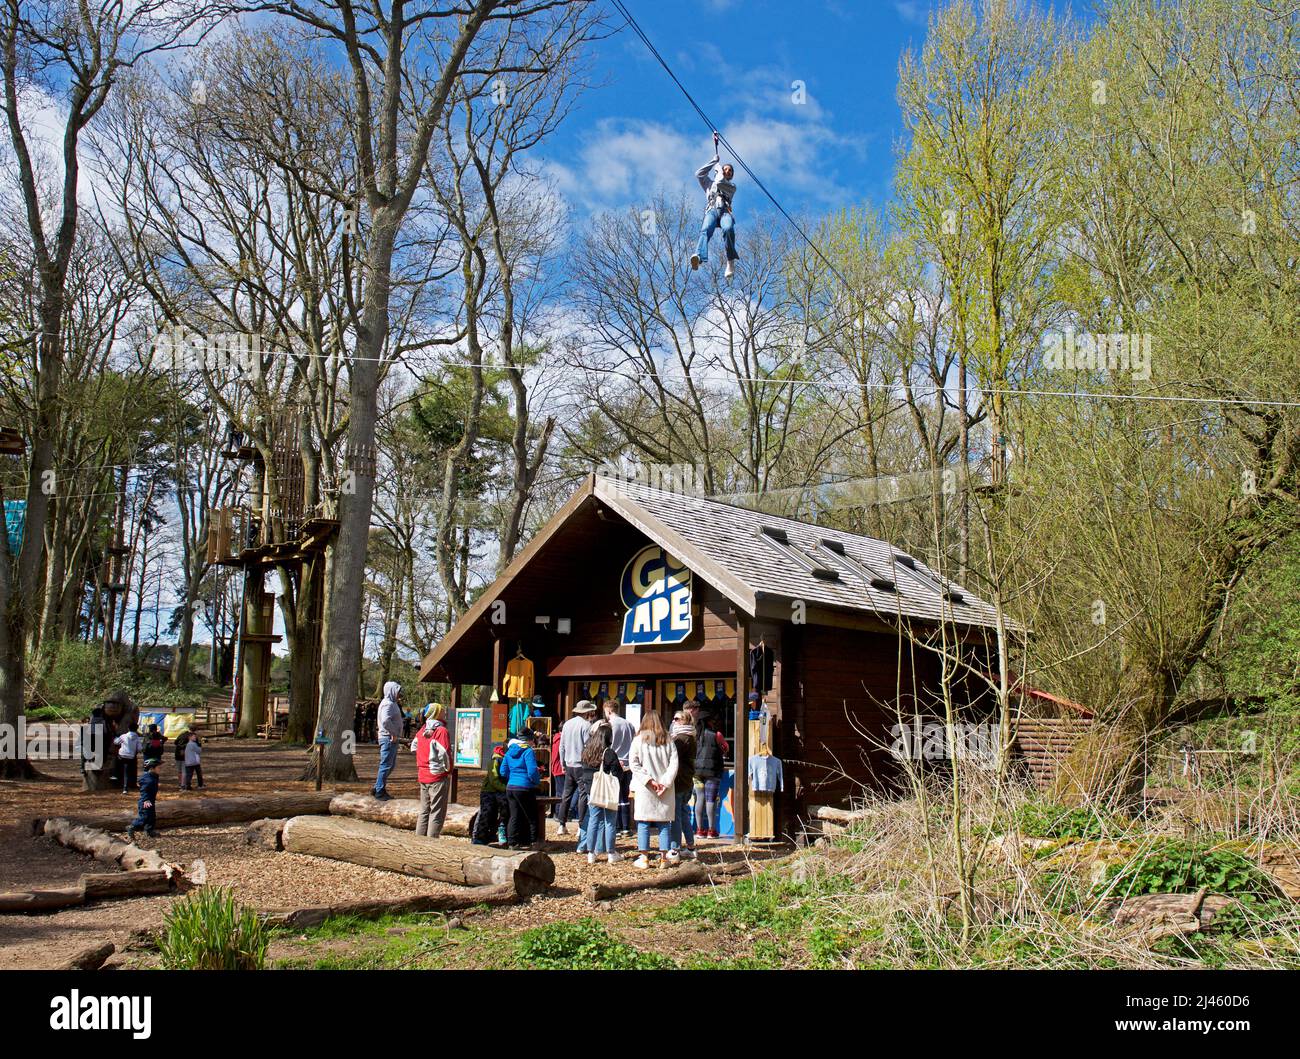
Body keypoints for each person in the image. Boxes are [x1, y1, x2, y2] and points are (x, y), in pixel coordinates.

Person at [629, 711, 679, 869]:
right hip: (665, 789)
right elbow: (674, 764)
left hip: (646, 788)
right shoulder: (668, 740)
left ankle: (644, 858)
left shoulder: (638, 740)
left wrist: (649, 780)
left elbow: (634, 763)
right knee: (664, 822)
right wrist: (664, 782)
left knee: (643, 822)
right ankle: (664, 858)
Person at [689, 131, 739, 280]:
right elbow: (698, 174)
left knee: (728, 229)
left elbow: (720, 183)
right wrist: (713, 162)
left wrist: (719, 171)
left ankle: (730, 261)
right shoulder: (709, 185)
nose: (727, 172)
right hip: (711, 210)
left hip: (724, 211)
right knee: (705, 230)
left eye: (730, 171)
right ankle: (698, 256)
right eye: (726, 169)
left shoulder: (732, 187)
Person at [581, 721, 624, 865]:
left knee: (593, 820)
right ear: (608, 738)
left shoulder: (587, 751)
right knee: (610, 821)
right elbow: (617, 773)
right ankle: (611, 853)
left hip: (591, 790)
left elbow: (585, 771)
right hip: (607, 790)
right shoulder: (609, 753)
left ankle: (591, 853)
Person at [556, 701, 596, 836]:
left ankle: (561, 824)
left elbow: (562, 746)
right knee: (583, 794)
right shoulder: (586, 725)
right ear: (587, 712)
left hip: (569, 763)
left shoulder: (567, 724)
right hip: (581, 764)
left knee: (566, 795)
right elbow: (588, 746)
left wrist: (562, 763)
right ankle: (581, 825)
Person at [412, 702, 452, 838]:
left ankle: (419, 841)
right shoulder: (441, 731)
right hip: (437, 776)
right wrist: (448, 770)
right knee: (437, 812)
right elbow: (445, 754)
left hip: (423, 774)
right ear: (436, 713)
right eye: (441, 710)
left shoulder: (422, 730)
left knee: (424, 810)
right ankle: (431, 843)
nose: (444, 711)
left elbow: (414, 747)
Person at [500, 728, 540, 849]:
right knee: (532, 816)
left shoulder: (509, 751)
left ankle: (512, 843)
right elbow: (532, 771)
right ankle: (534, 842)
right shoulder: (528, 751)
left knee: (514, 815)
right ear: (529, 739)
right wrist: (536, 782)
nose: (534, 742)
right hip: (525, 787)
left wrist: (512, 778)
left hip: (511, 787)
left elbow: (502, 771)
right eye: (533, 740)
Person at [603, 698, 636, 836]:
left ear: (609, 710)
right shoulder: (629, 724)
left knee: (613, 796)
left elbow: (606, 745)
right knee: (624, 795)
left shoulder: (609, 725)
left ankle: (615, 827)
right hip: (627, 763)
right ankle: (626, 827)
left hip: (614, 763)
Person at [694, 711, 729, 839]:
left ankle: (699, 830)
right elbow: (726, 748)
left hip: (696, 772)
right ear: (709, 722)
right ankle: (711, 830)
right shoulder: (717, 735)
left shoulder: (694, 735)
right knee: (710, 800)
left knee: (699, 798)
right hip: (712, 771)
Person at [669, 713, 698, 860]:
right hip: (687, 780)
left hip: (679, 781)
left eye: (676, 719)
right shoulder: (691, 736)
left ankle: (674, 849)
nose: (673, 721)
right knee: (684, 813)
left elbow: (671, 757)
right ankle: (691, 847)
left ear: (684, 721)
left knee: (676, 816)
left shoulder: (681, 739)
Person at [472, 744, 510, 845]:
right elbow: (494, 779)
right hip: (489, 791)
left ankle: (492, 835)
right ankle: (479, 837)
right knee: (487, 814)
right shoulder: (495, 760)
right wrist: (506, 789)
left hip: (499, 791)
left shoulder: (506, 759)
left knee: (501, 812)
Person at [372, 680, 403, 800]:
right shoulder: (388, 704)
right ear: (391, 691)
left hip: (391, 738)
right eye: (397, 691)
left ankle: (377, 787)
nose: (399, 694)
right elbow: (385, 721)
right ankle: (379, 791)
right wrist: (393, 733)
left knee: (390, 765)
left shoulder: (392, 703)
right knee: (386, 765)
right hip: (388, 738)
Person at [127, 758, 162, 841]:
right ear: (151, 768)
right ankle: (132, 826)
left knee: (152, 817)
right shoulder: (148, 779)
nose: (160, 769)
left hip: (150, 800)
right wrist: (146, 800)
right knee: (145, 817)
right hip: (146, 801)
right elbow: (144, 791)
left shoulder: (153, 776)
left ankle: (149, 831)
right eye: (158, 767)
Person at [114, 722, 142, 794]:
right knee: (127, 772)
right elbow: (139, 749)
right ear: (136, 729)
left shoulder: (123, 736)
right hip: (131, 757)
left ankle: (114, 775)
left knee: (117, 764)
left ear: (128, 728)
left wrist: (116, 737)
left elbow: (116, 742)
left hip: (122, 756)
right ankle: (126, 787)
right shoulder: (137, 738)